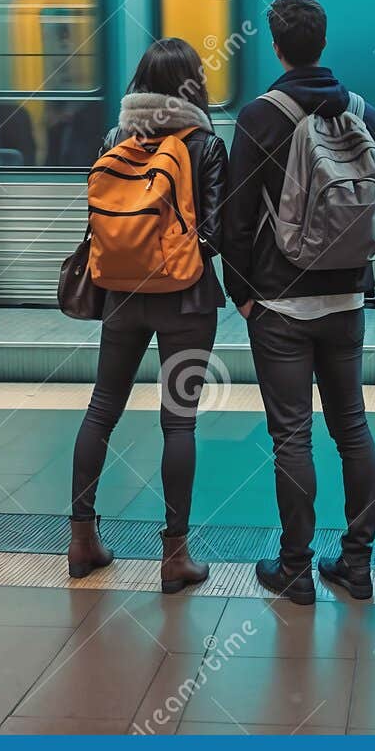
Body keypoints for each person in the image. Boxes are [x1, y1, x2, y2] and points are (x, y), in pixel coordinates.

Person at [222, 0, 375, 605]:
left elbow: (235, 218)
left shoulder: (260, 116)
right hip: (346, 299)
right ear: (323, 42)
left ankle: (296, 569)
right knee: (353, 428)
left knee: (292, 435)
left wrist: (241, 295)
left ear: (277, 46)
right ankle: (358, 563)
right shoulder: (368, 116)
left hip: (280, 306)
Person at [67, 37, 227, 593]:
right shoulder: (204, 142)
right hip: (186, 299)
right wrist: (180, 257)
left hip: (119, 295)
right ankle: (175, 557)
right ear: (193, 85)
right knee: (178, 422)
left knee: (102, 409)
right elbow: (216, 232)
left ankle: (82, 538)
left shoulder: (116, 136)